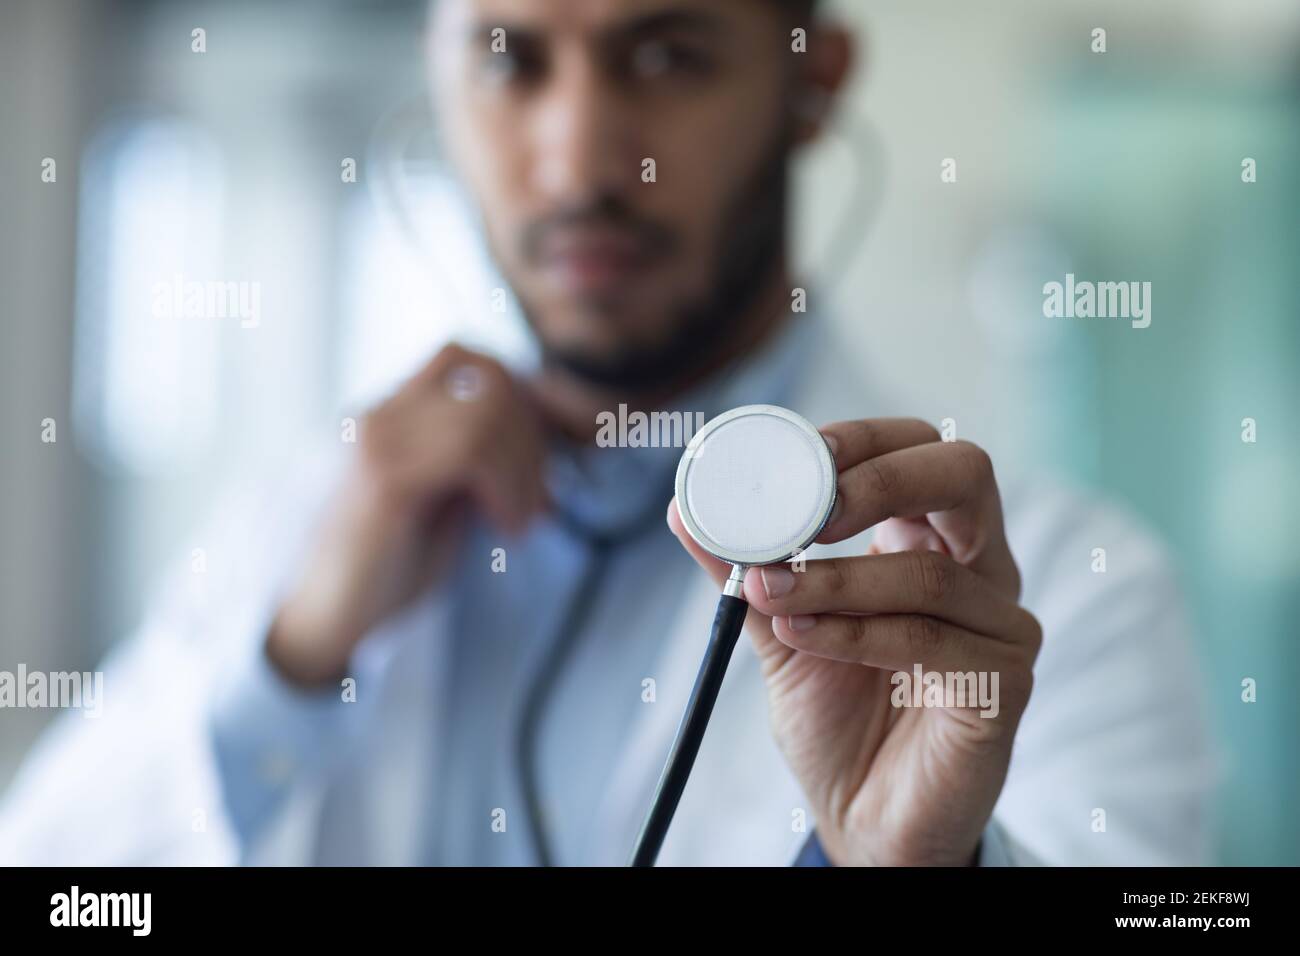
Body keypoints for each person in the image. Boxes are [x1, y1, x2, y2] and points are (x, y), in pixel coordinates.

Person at [0, 0, 1215, 866]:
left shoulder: (1061, 597)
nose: (578, 157)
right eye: (506, 58)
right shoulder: (308, 527)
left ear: (813, 81)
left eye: (669, 54)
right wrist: (294, 660)